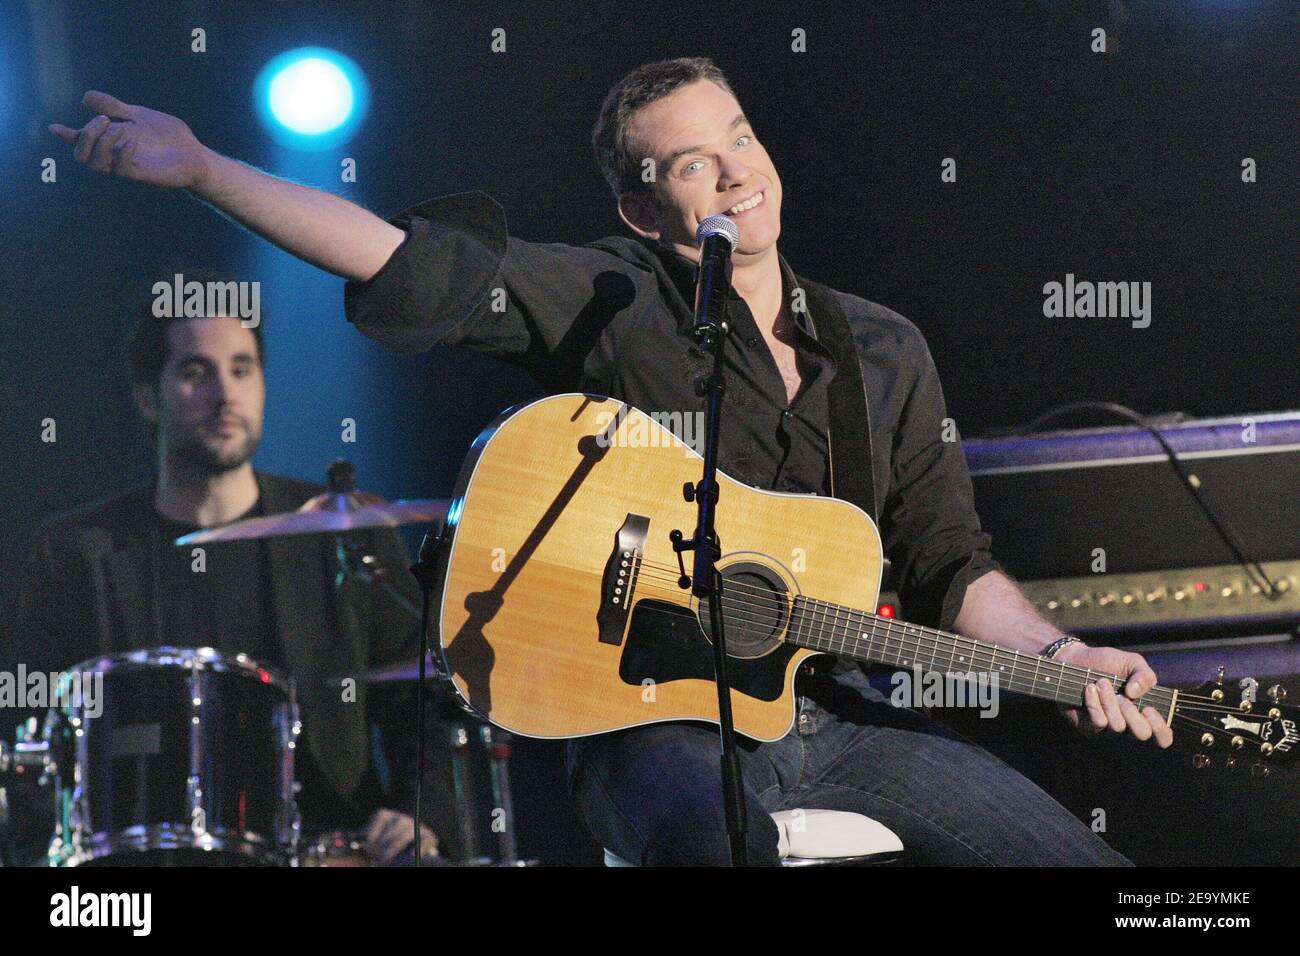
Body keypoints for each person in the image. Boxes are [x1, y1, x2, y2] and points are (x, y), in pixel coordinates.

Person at [49, 56, 1173, 865]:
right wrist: (202, 168)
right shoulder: (612, 302)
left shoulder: (882, 348)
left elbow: (950, 565)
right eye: (692, 162)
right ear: (642, 207)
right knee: (706, 841)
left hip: (837, 718)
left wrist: (1063, 654)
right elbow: (404, 258)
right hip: (652, 724)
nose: (734, 172)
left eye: (738, 136)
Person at [9, 302, 449, 865]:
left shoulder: (344, 533)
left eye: (242, 369)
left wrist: (419, 814)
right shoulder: (76, 552)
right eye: (196, 371)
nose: (225, 392)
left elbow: (425, 701)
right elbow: (28, 725)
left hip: (326, 849)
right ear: (149, 397)